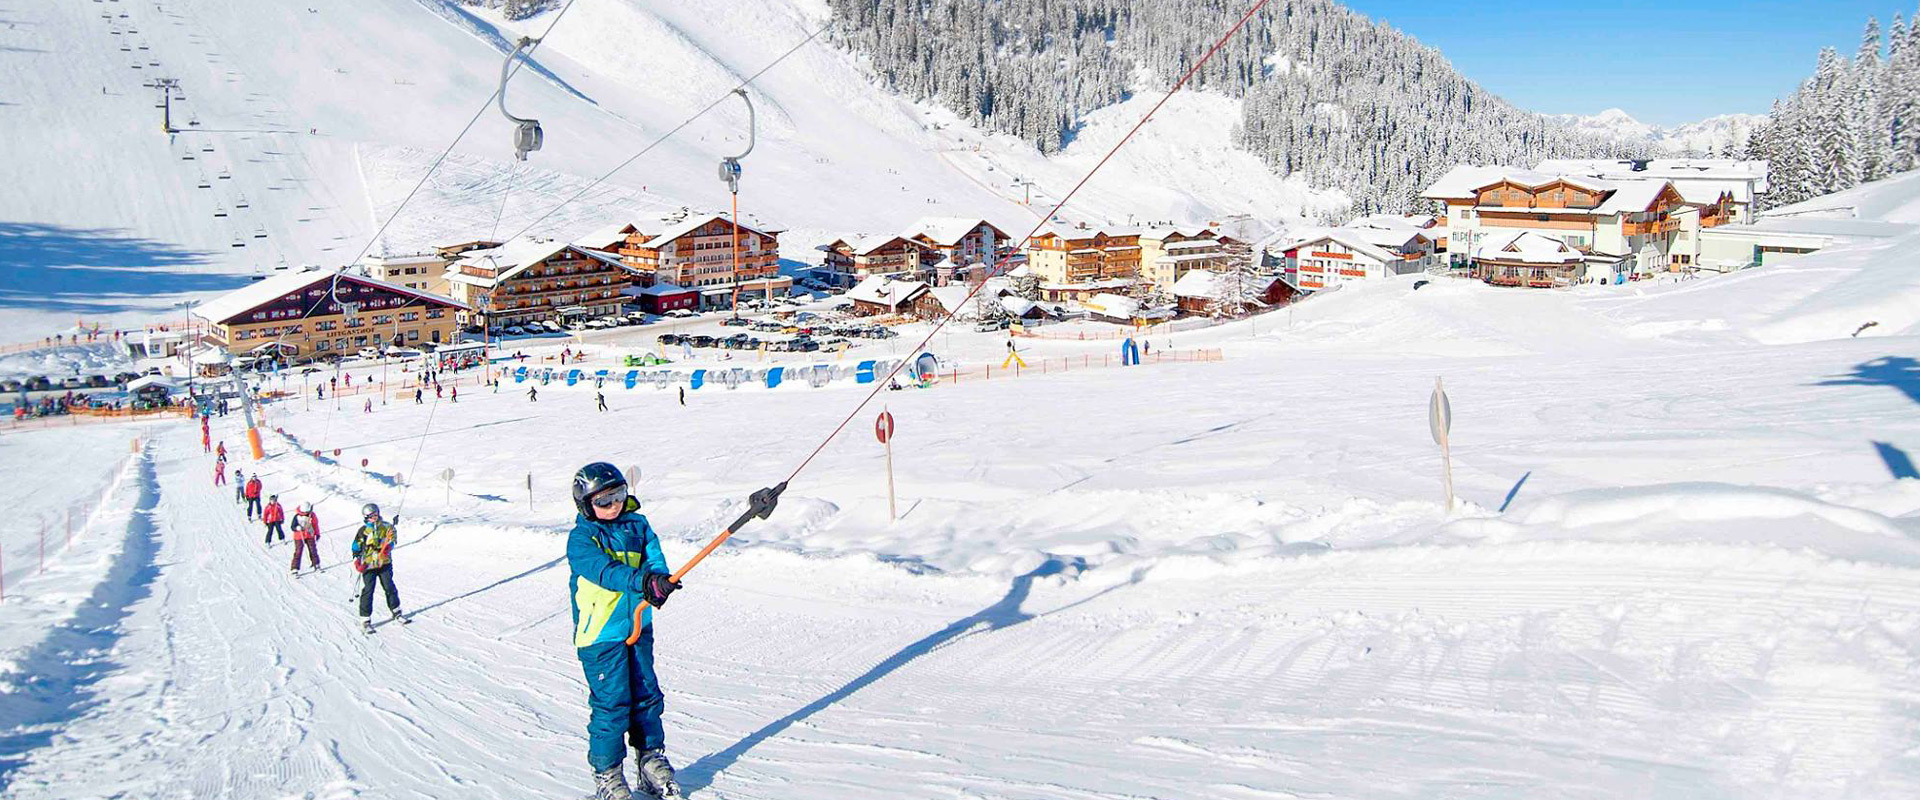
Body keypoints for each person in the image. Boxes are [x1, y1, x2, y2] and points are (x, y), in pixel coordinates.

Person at [567, 463, 680, 800]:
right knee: (612, 704)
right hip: (601, 634)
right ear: (586, 505)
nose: (614, 505)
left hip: (638, 625)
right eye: (603, 501)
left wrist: (659, 580)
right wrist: (643, 581)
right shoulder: (582, 539)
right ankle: (607, 775)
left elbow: (653, 558)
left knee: (647, 695)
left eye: (618, 495)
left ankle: (650, 760)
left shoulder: (638, 525)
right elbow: (607, 572)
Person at [351, 503, 407, 632]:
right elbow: (355, 547)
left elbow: (393, 539)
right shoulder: (363, 531)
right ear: (366, 517)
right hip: (369, 564)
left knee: (389, 586)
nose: (374, 518)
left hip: (384, 563)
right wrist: (357, 561)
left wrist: (388, 547)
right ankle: (365, 619)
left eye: (376, 515)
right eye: (371, 516)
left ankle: (396, 611)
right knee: (368, 590)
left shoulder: (386, 527)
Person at [289, 502, 321, 575]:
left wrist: (317, 534)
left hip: (310, 535)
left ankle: (316, 564)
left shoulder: (312, 516)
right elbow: (292, 526)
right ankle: (294, 568)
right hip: (299, 536)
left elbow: (315, 525)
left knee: (313, 550)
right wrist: (297, 528)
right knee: (298, 551)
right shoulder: (297, 516)